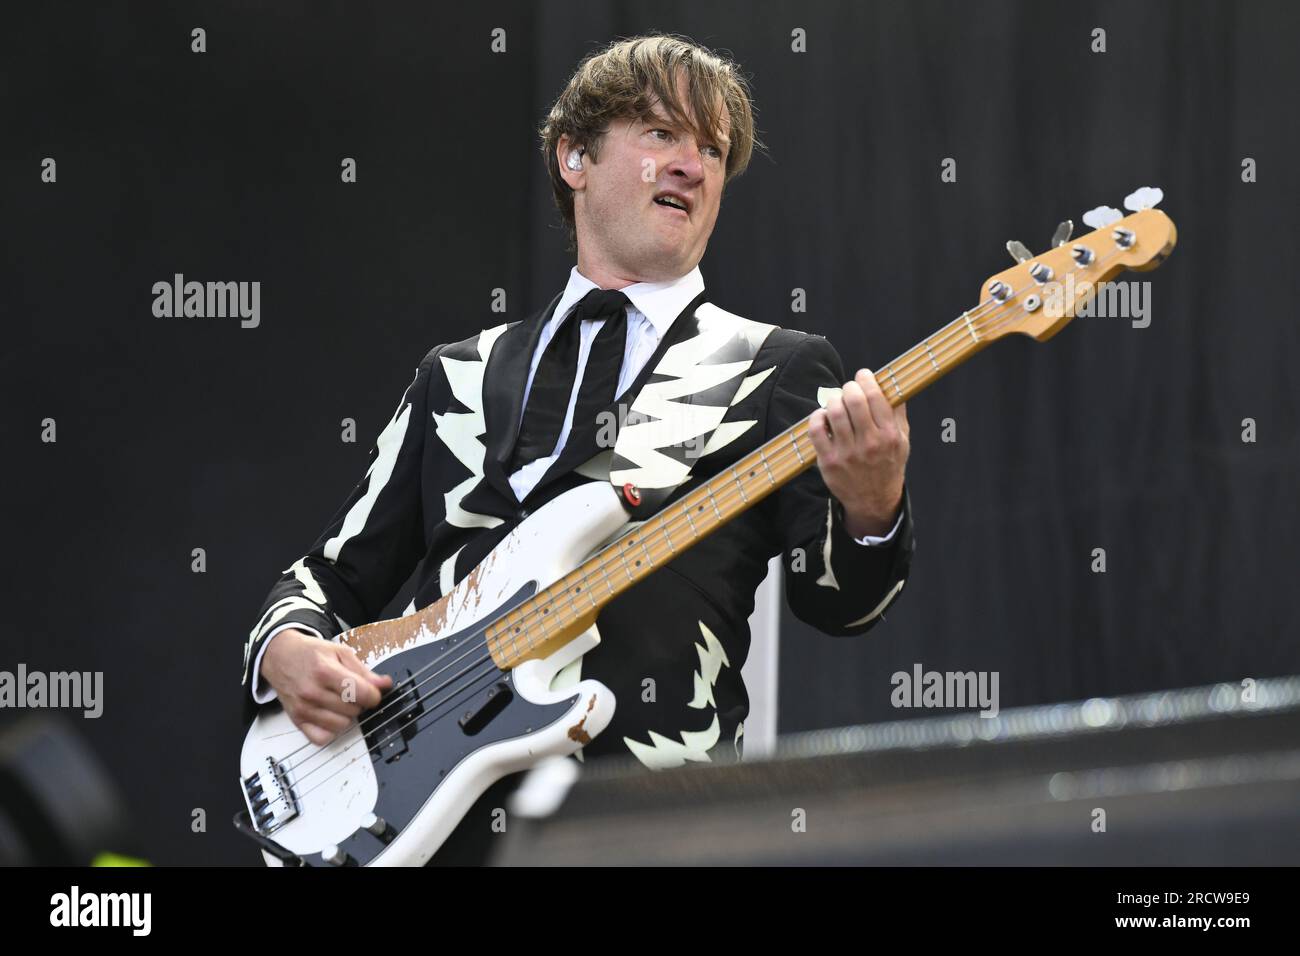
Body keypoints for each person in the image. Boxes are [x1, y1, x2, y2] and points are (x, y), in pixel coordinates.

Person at [242, 34, 914, 860]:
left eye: (712, 149)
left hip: (646, 826)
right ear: (574, 158)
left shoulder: (773, 367)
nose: (692, 166)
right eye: (662, 133)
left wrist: (873, 505)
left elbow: (837, 602)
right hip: (428, 827)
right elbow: (332, 575)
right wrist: (283, 651)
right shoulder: (458, 375)